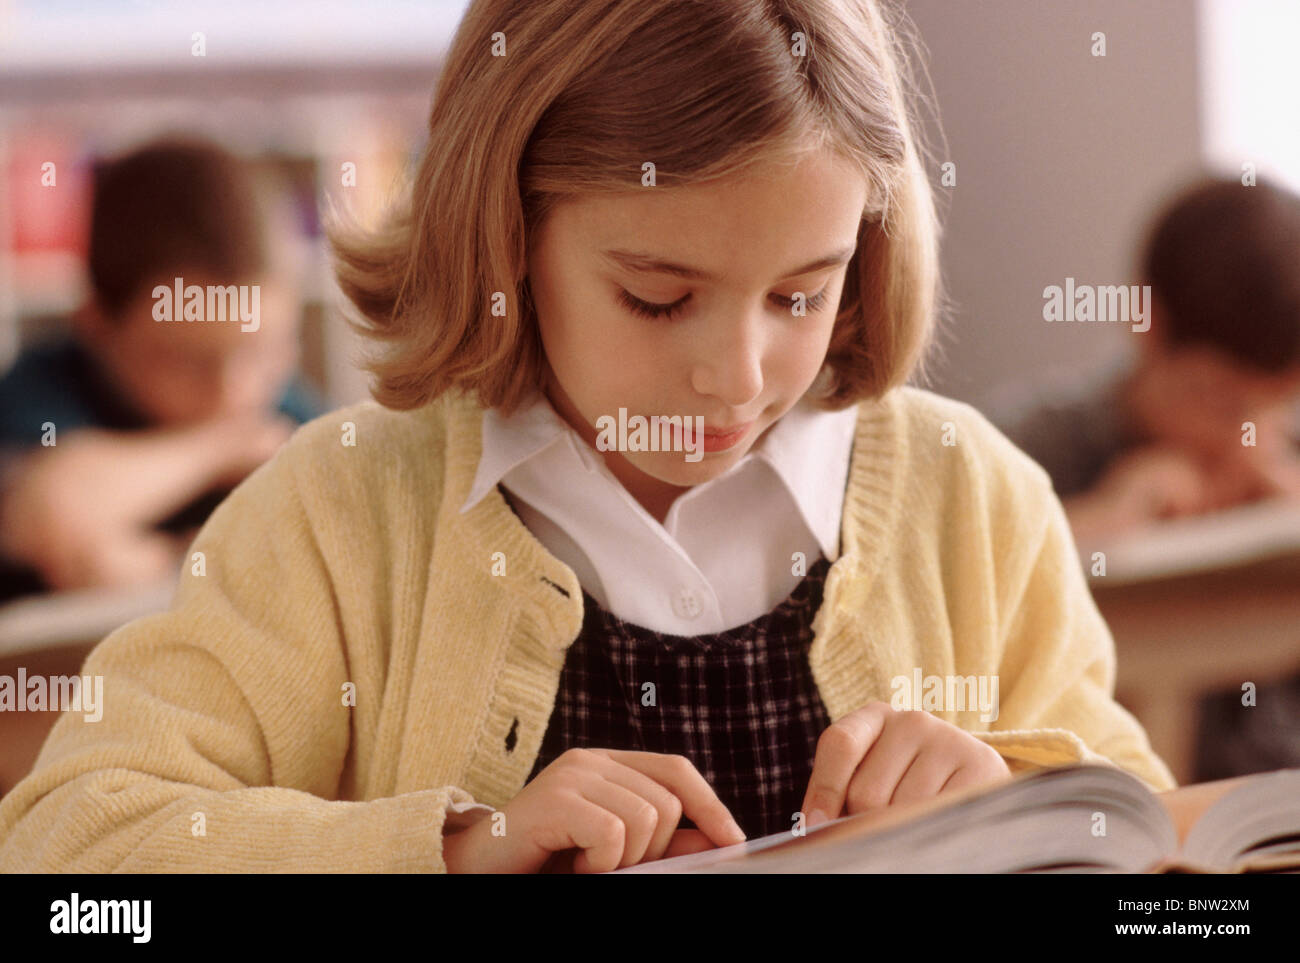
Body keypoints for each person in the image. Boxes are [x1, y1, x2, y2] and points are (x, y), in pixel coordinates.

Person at [0, 0, 1173, 874]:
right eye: (658, 297)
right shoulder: (344, 513)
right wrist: (449, 850)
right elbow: (66, 856)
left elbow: (1149, 843)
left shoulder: (972, 499)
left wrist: (1013, 802)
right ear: (506, 235)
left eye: (802, 294)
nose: (738, 374)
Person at [982, 175, 1300, 782]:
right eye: (1222, 402)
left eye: (1277, 405)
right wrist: (1105, 517)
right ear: (1148, 324)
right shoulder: (1032, 447)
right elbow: (946, 585)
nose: (1248, 437)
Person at [0, 137, 328, 599]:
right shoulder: (41, 390)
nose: (234, 392)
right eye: (187, 362)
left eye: (263, 350)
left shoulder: (294, 411)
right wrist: (220, 446)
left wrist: (168, 564)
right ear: (96, 324)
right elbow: (49, 515)